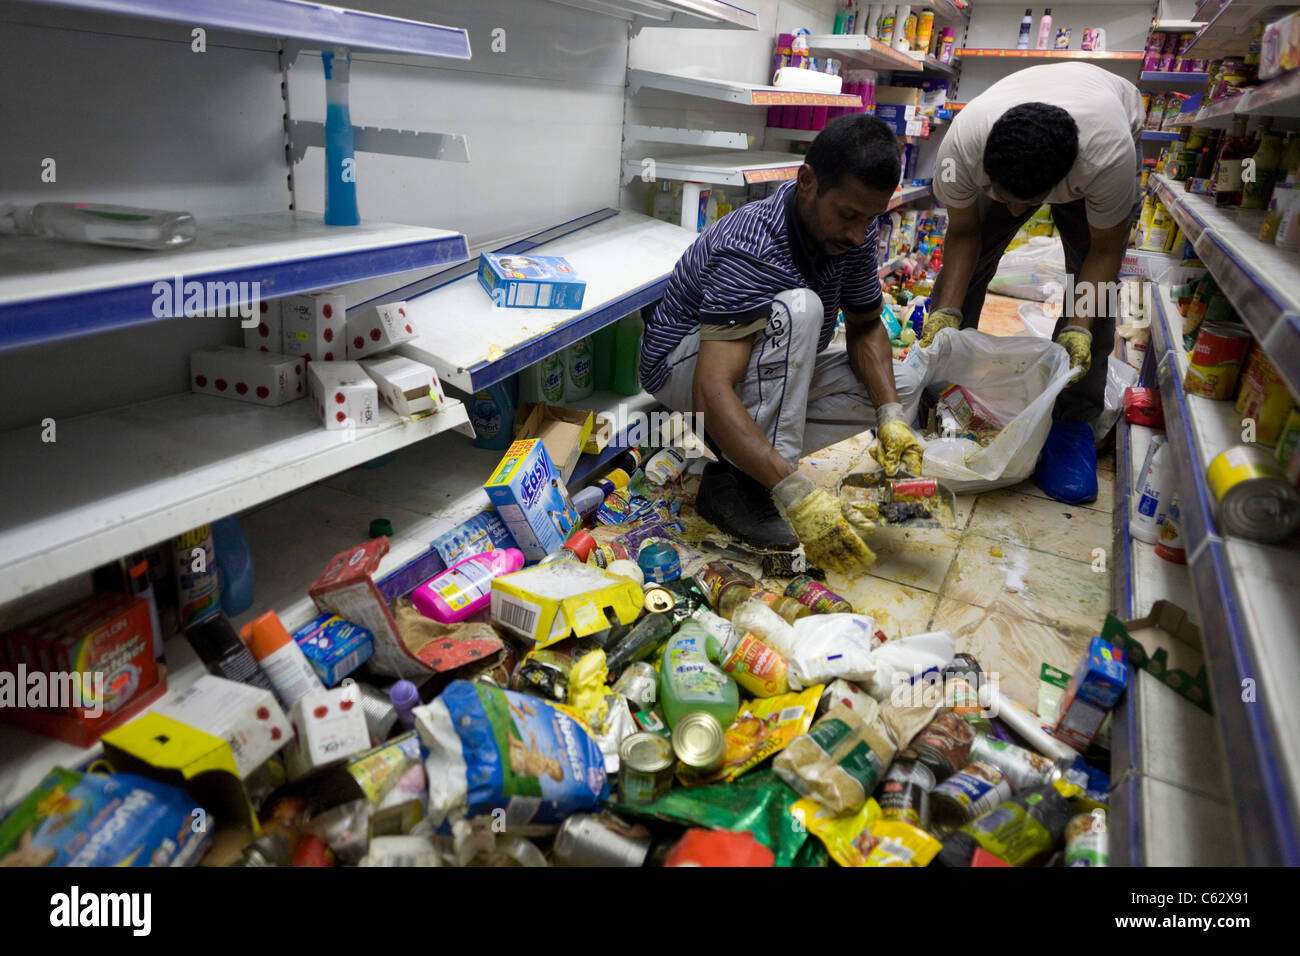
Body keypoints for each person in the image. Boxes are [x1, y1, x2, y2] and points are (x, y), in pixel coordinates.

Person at [639, 114, 924, 571]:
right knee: (800, 309)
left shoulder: (856, 231)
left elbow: (867, 325)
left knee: (903, 385)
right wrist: (797, 494)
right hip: (682, 366)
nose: (858, 234)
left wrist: (890, 417)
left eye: (869, 218)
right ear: (807, 181)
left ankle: (749, 460)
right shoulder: (752, 244)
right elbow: (711, 388)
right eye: (848, 215)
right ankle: (742, 487)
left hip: (756, 360)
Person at [923, 62, 1146, 502]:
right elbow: (964, 234)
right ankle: (936, 395)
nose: (1011, 212)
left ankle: (1072, 425)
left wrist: (1078, 329)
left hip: (1099, 140)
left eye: (1023, 204)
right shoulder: (963, 146)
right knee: (960, 278)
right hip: (1008, 140)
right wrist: (946, 312)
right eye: (999, 195)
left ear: (1061, 186)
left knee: (1096, 298)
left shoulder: (1107, 160)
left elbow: (1103, 253)